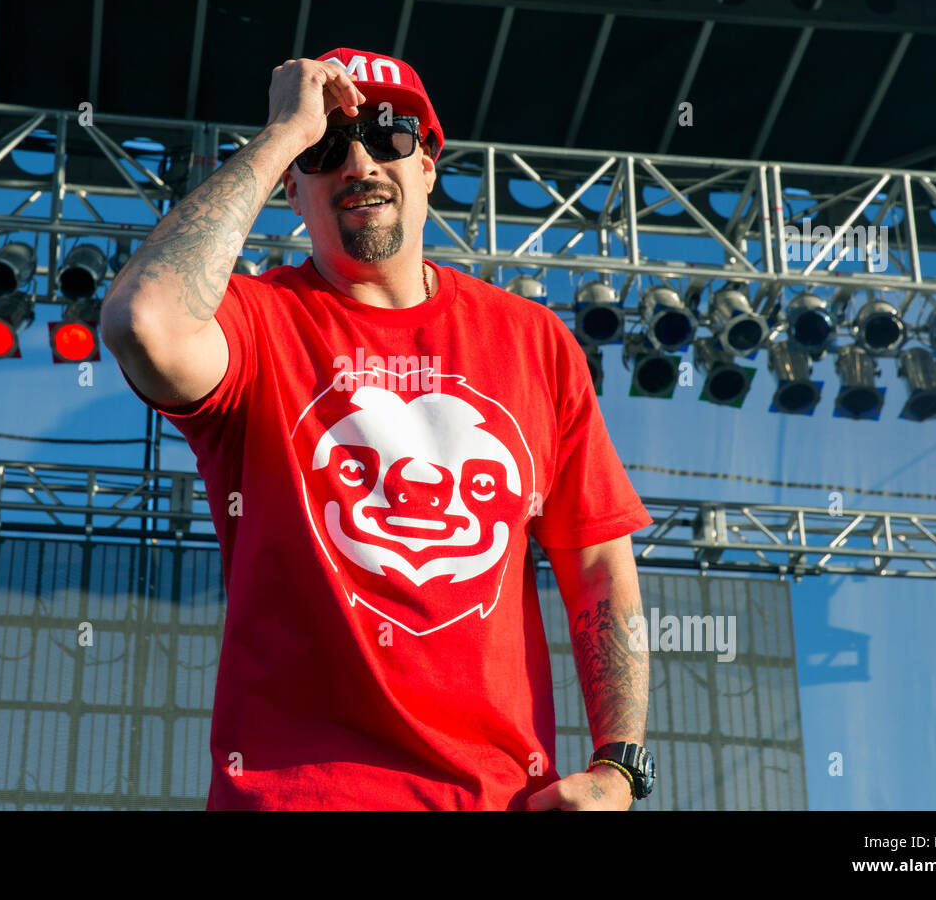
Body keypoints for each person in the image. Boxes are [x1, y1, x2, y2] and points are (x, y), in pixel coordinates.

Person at [100, 48, 656, 810]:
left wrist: (619, 767)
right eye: (327, 145)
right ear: (292, 187)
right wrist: (280, 133)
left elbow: (597, 561)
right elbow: (143, 321)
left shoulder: (534, 340)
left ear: (429, 166)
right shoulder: (258, 323)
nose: (359, 160)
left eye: (388, 134)